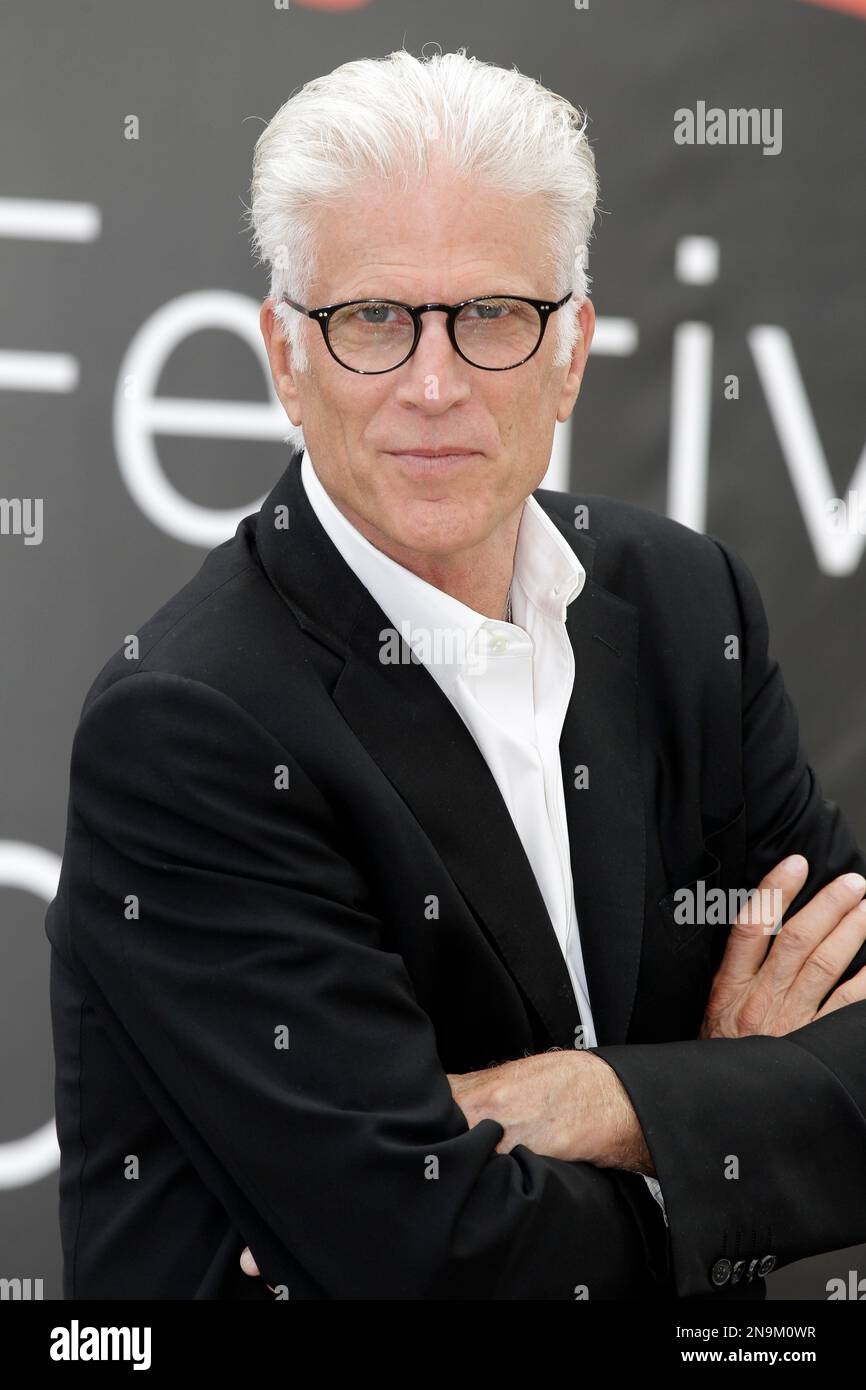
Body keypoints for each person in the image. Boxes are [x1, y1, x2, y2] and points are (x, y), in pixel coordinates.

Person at [46, 48, 866, 1301]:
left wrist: (592, 1096)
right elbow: (420, 1258)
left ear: (572, 349)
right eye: (373, 317)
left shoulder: (686, 605)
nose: (433, 387)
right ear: (285, 355)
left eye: (490, 315)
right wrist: (717, 1119)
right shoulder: (189, 722)